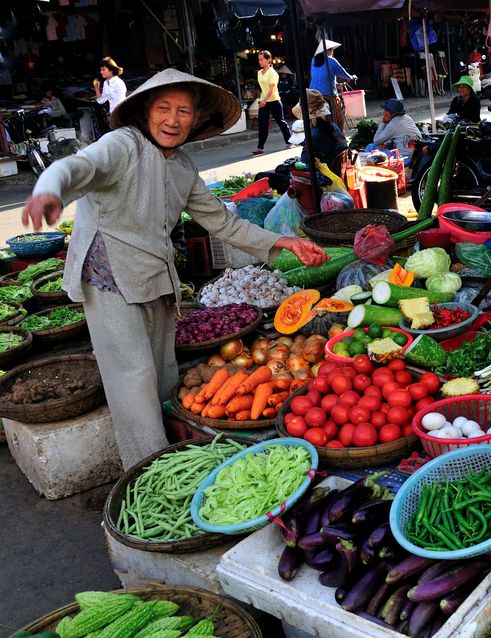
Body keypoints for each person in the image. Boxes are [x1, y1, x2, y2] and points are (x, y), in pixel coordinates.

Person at [21, 69, 328, 469]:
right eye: (163, 108)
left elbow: (222, 221)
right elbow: (78, 167)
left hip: (155, 275)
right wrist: (48, 189)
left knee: (163, 371)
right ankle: (149, 472)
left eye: (183, 111)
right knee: (132, 378)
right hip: (107, 273)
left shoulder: (182, 167)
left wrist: (283, 241)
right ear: (145, 112)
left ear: (196, 118)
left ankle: (175, 449)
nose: (173, 119)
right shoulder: (121, 144)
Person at [291, 88, 349, 174]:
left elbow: (304, 164)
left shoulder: (314, 136)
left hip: (327, 175)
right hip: (336, 169)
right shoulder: (330, 125)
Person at [309, 39, 356, 132]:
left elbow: (321, 76)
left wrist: (337, 84)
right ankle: (340, 139)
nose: (332, 52)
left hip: (313, 95)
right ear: (329, 51)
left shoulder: (314, 60)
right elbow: (344, 75)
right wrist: (353, 77)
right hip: (328, 95)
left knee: (316, 120)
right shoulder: (331, 60)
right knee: (338, 119)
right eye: (332, 50)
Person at [253, 50, 293, 155]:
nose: (260, 62)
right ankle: (260, 147)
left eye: (262, 60)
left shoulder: (272, 72)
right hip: (263, 101)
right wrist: (262, 100)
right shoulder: (259, 73)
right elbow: (263, 88)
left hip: (274, 100)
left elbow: (271, 89)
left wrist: (264, 100)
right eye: (259, 60)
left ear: (268, 60)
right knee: (262, 124)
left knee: (281, 121)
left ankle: (290, 142)